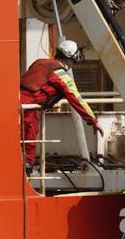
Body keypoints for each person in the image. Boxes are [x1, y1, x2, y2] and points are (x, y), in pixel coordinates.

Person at [19, 39, 102, 168]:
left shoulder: (39, 63)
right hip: (27, 109)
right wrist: (94, 120)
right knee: (29, 138)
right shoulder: (61, 74)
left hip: (15, 102)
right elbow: (76, 98)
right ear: (71, 58)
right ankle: (26, 170)